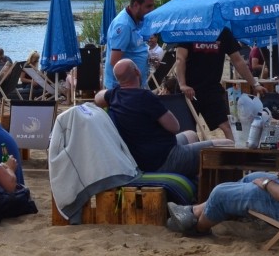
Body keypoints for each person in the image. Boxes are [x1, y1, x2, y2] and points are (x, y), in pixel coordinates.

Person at [95, 59, 229, 179]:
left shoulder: (114, 96)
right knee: (227, 144)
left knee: (191, 134)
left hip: (140, 157)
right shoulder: (146, 97)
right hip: (163, 160)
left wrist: (110, 92)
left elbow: (98, 98)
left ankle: (193, 185)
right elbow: (174, 127)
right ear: (137, 72)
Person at [173, 27, 258, 139]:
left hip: (211, 88)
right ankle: (192, 156)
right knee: (187, 130)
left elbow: (237, 61)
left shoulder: (223, 31)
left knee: (227, 125)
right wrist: (182, 84)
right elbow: (180, 59)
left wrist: (254, 84)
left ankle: (235, 155)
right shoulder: (189, 29)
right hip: (188, 89)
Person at [104, 0, 156, 89]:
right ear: (136, 5)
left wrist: (148, 58)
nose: (152, 10)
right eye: (148, 6)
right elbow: (115, 61)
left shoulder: (137, 20)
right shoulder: (123, 25)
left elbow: (134, 48)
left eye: (152, 6)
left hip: (136, 85)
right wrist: (129, 85)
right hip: (124, 87)